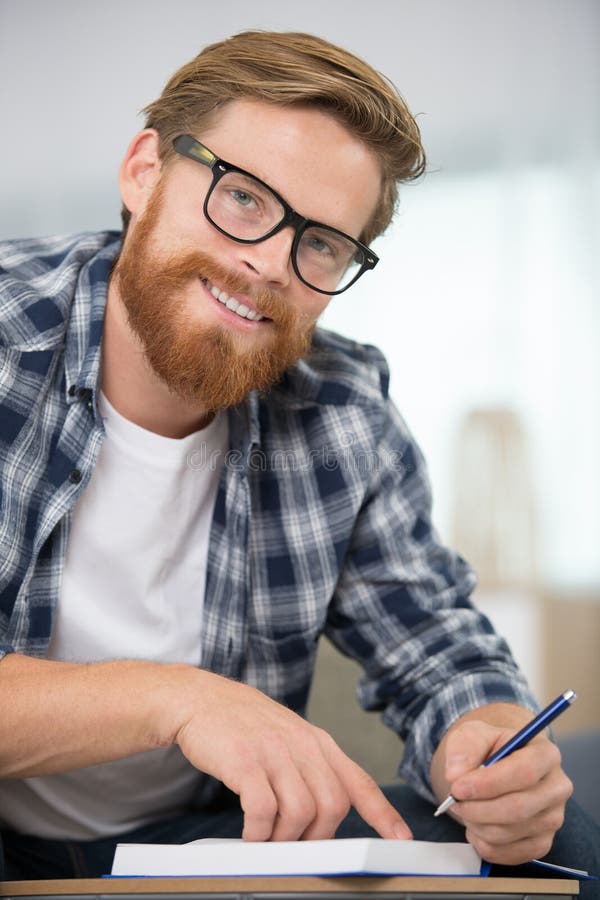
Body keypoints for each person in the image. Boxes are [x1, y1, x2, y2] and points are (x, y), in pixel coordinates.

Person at [0, 30, 598, 887]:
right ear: (143, 173)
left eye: (321, 244)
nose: (269, 265)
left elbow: (436, 647)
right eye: (243, 198)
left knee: (555, 845)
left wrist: (486, 742)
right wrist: (180, 699)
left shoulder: (342, 409)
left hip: (193, 833)